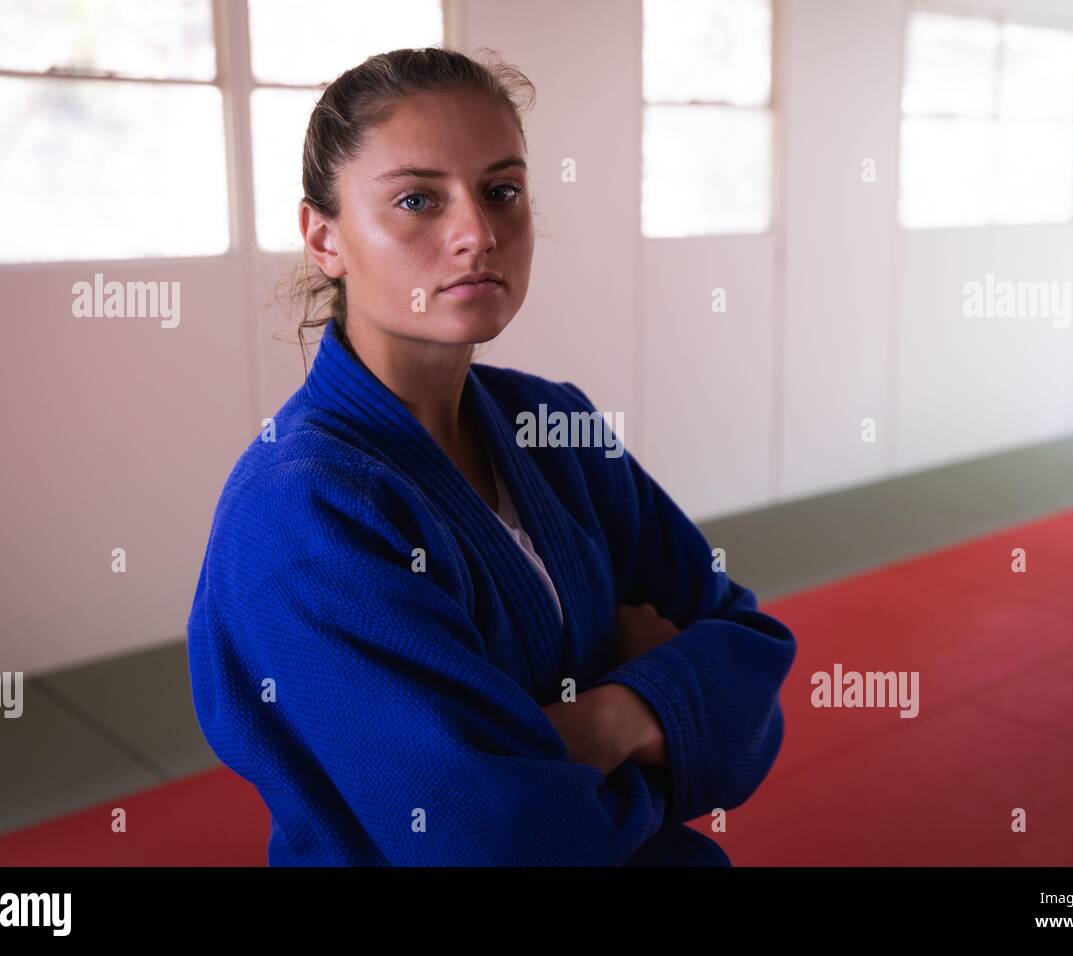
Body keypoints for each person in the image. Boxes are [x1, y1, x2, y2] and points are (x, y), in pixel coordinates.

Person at [186, 46, 797, 866]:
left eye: (502, 191)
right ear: (324, 238)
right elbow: (492, 840)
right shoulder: (303, 509)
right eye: (416, 200)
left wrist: (597, 724)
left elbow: (750, 665)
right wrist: (663, 716)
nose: (477, 233)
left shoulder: (554, 423)